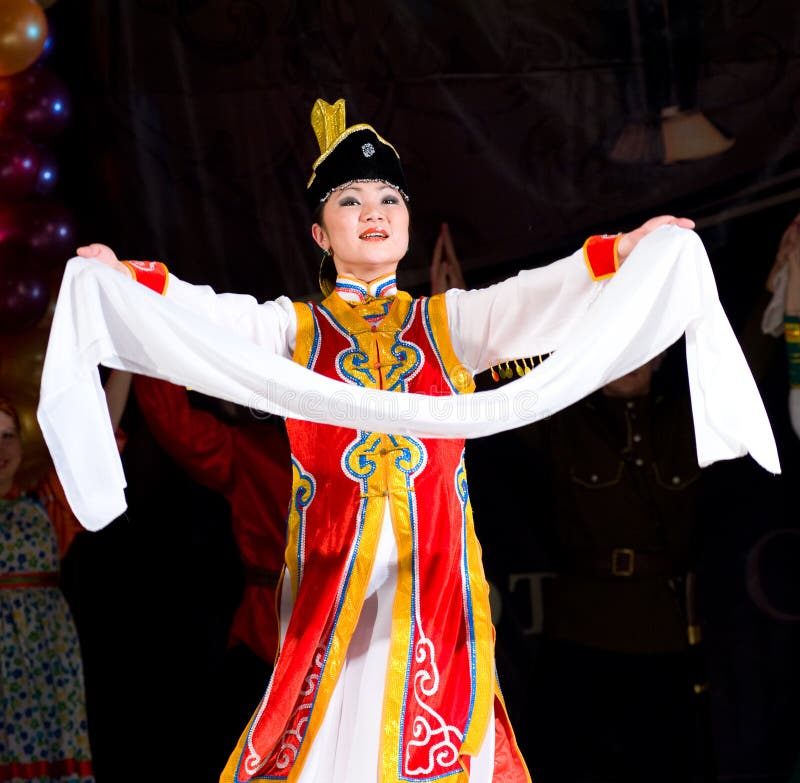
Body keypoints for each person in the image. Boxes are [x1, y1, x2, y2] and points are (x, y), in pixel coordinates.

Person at [66, 96, 722, 783]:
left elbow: (537, 296)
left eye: (388, 197)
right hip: (332, 601)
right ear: (320, 234)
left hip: (432, 598)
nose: (373, 210)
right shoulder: (295, 333)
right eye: (349, 200)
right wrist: (128, 283)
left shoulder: (450, 326)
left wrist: (624, 252)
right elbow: (206, 317)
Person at [130, 372, 292, 758]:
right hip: (265, 632)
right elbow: (172, 419)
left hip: (341, 627)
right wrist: (146, 337)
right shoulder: (249, 448)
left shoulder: (350, 445)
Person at [0, 394, 95, 783]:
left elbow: (92, 447)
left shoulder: (44, 504)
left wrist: (123, 363)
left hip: (46, 654)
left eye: (8, 435)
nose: (0, 448)